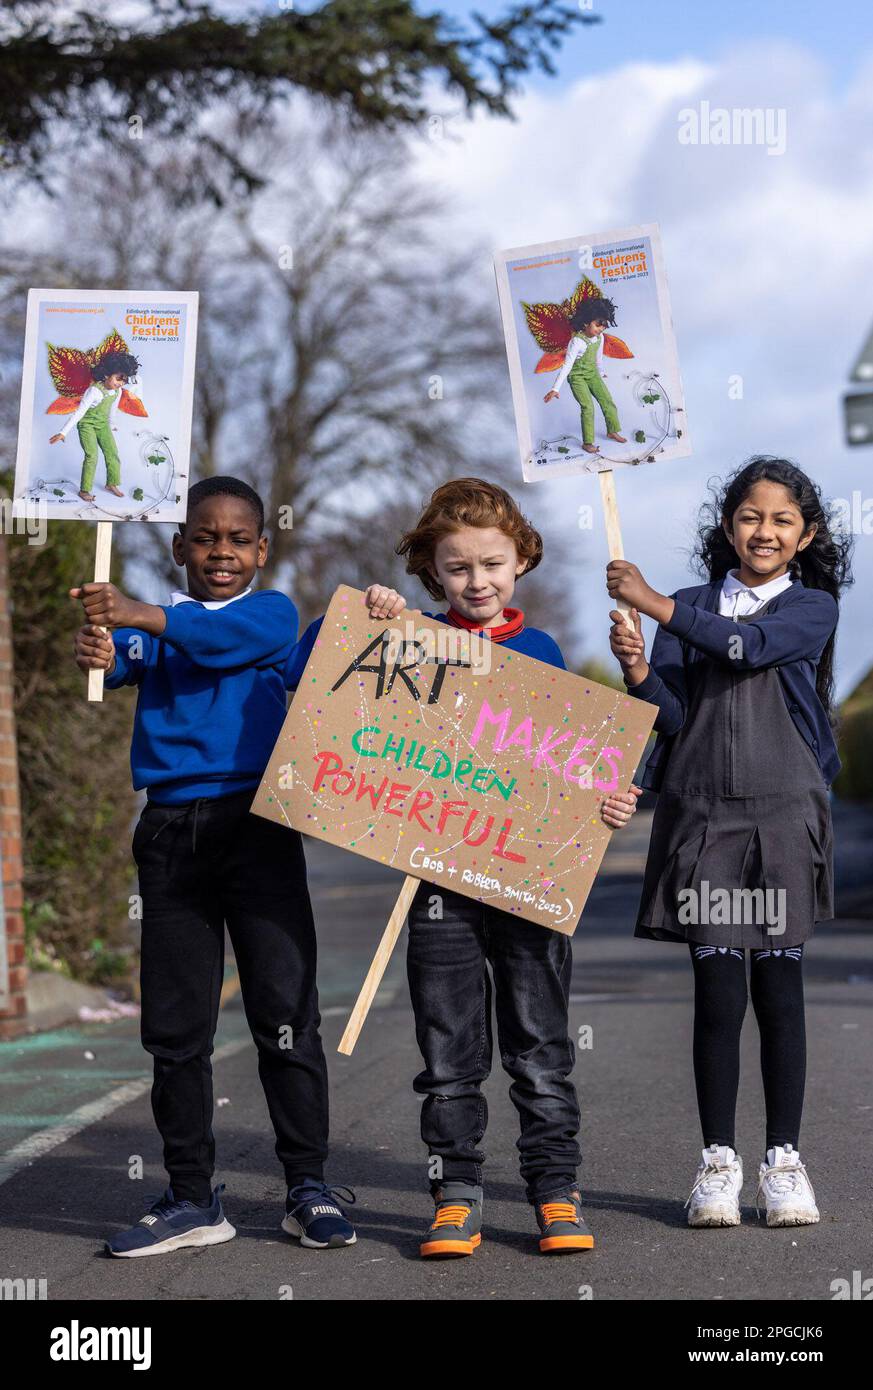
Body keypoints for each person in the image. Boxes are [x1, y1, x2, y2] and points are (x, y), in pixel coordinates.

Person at [285, 477, 642, 1256]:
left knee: (541, 1052)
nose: (476, 582)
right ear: (431, 573)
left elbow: (573, 774)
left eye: (490, 564)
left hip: (528, 888)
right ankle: (455, 1194)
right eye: (457, 568)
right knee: (448, 1057)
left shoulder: (541, 654)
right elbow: (312, 665)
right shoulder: (407, 637)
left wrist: (605, 805)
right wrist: (366, 616)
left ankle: (554, 1192)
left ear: (521, 562)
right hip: (439, 887)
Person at [72, 475, 357, 1256]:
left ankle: (307, 1186)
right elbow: (121, 654)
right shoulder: (151, 625)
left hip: (258, 825)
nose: (220, 551)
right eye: (204, 537)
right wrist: (100, 643)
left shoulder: (271, 615)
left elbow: (210, 638)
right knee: (174, 1029)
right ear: (179, 546)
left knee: (285, 1014)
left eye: (237, 539)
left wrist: (138, 615)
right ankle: (193, 1197)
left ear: (261, 550)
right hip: (169, 830)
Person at [607, 456, 852, 1228]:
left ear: (805, 533)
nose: (764, 531)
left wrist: (648, 601)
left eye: (782, 520)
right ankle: (717, 1161)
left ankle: (783, 1161)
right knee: (718, 993)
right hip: (704, 817)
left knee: (777, 992)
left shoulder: (810, 609)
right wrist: (641, 668)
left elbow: (745, 648)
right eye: (750, 516)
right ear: (727, 525)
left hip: (783, 816)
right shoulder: (687, 605)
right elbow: (672, 718)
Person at [50, 350, 143, 502]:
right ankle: (84, 490)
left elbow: (112, 409)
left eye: (123, 381)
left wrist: (112, 425)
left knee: (112, 452)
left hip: (102, 425)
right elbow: (79, 413)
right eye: (118, 379)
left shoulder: (117, 391)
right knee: (92, 455)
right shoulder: (94, 391)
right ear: (107, 374)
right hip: (87, 425)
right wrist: (63, 432)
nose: (120, 383)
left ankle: (111, 483)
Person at [544, 297, 627, 453]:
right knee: (587, 407)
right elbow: (567, 365)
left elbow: (598, 358)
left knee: (607, 400)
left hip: (592, 374)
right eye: (598, 324)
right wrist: (555, 388)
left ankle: (612, 430)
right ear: (586, 322)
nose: (601, 328)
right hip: (577, 377)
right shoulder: (576, 342)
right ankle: (587, 442)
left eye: (604, 325)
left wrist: (601, 372)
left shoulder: (599, 338)